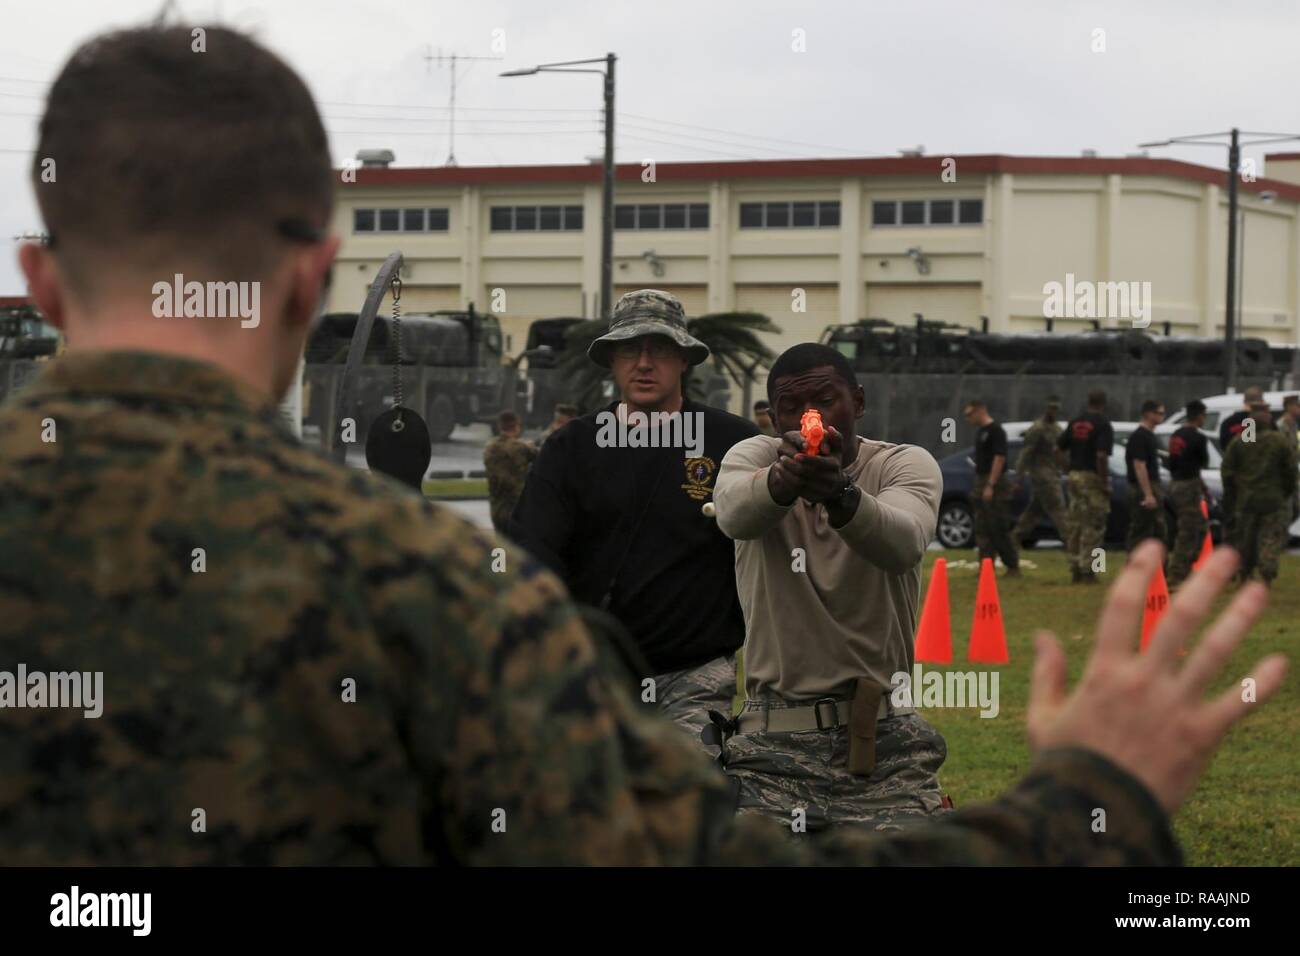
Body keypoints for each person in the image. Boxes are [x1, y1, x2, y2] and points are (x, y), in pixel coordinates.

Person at [4, 23, 1289, 870]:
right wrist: (1087, 801)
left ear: (39, 279)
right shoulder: (427, 601)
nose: (643, 368)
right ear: (313, 277)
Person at [712, 343, 951, 830]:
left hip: (884, 743)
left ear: (858, 402)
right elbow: (734, 514)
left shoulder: (902, 465)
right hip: (771, 750)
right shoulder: (753, 456)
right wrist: (781, 483)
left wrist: (841, 494)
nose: (809, 417)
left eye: (826, 399)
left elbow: (903, 543)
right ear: (771, 414)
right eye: (791, 407)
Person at [510, 289, 759, 750]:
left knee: (686, 804)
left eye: (661, 349)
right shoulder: (571, 449)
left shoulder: (734, 444)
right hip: (593, 670)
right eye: (630, 349)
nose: (645, 363)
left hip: (696, 673)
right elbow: (533, 554)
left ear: (684, 359)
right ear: (610, 360)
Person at [1221, 402, 1297, 586]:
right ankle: (1267, 571)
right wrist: (1286, 491)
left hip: (1247, 499)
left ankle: (1245, 573)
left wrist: (1233, 493)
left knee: (1246, 538)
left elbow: (1227, 471)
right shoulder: (1278, 441)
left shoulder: (1243, 441)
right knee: (1270, 537)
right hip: (1273, 499)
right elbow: (1290, 471)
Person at [1058, 390, 1114, 583]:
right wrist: (1103, 481)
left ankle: (1074, 566)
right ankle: (1090, 569)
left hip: (1074, 475)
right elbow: (1101, 455)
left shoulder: (1075, 422)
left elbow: (1057, 449)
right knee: (1095, 524)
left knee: (1075, 523)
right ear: (1103, 404)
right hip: (1091, 476)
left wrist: (1067, 469)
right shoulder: (1103, 424)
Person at [964, 398, 1019, 576]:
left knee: (998, 527)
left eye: (970, 414)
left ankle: (1012, 565)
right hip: (981, 480)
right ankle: (986, 567)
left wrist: (991, 484)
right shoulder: (981, 432)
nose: (968, 418)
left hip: (995, 483)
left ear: (980, 410)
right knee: (982, 526)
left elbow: (1000, 457)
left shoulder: (996, 431)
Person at [1011, 395, 1069, 547]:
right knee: (1058, 509)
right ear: (1046, 409)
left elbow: (1062, 452)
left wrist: (1066, 468)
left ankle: (1014, 539)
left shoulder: (1057, 429)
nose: (1053, 411)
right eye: (1051, 408)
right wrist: (1019, 478)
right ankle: (1071, 542)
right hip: (1042, 475)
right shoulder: (1037, 429)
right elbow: (1026, 454)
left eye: (1056, 409)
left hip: (1053, 473)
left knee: (1034, 512)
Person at [1166, 400, 1211, 588]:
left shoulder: (1176, 434)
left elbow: (1173, 462)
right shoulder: (1198, 438)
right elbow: (1203, 463)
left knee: (1200, 528)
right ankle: (1176, 574)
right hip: (1187, 487)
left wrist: (1203, 488)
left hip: (1177, 483)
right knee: (1188, 531)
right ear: (1199, 416)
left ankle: (1186, 567)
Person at [483, 410, 537, 535]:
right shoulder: (521, 448)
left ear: (500, 426)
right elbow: (540, 458)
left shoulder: (489, 447)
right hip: (516, 508)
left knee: (501, 547)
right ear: (516, 426)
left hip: (496, 508)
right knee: (518, 548)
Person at [1125, 399, 1167, 552]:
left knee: (1156, 529)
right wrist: (1148, 494)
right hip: (1143, 487)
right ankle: (1135, 568)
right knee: (1140, 530)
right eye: (1159, 413)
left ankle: (1156, 570)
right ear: (1149, 414)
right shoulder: (1140, 436)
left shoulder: (1150, 435)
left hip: (1151, 485)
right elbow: (1139, 465)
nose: (1162, 416)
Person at [1218, 385, 1264, 452]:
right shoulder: (1267, 422)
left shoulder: (1228, 423)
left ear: (1244, 401)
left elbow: (1223, 447)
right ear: (1262, 402)